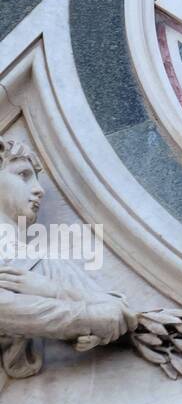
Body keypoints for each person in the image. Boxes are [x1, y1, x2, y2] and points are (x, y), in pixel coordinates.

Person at [0, 136, 134, 379]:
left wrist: (53, 291)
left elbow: (117, 310)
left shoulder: (46, 264)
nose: (39, 189)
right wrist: (88, 317)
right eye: (23, 175)